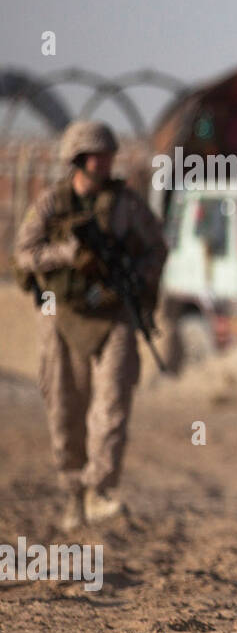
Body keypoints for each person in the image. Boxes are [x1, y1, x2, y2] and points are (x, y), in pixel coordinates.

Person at [14, 121, 167, 530]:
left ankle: (101, 489)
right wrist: (68, 254)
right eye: (98, 155)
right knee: (65, 407)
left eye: (109, 155)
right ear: (79, 159)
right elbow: (25, 254)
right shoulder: (52, 204)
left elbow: (157, 248)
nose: (106, 163)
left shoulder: (128, 205)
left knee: (112, 405)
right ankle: (73, 493)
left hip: (113, 318)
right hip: (63, 317)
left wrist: (135, 280)